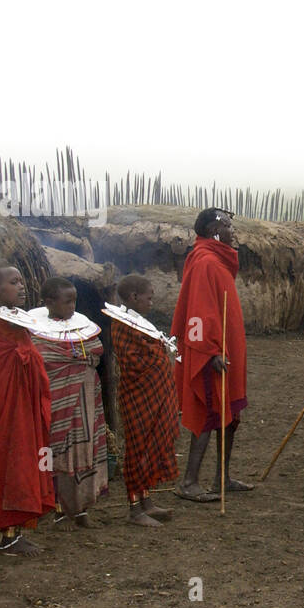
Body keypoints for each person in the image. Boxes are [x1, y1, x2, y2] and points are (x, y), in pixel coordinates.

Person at [171, 207, 252, 501]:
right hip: (212, 351)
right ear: (214, 231)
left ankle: (222, 477)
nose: (233, 231)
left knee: (230, 414)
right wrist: (212, 349)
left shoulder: (215, 259)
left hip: (228, 349)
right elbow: (200, 311)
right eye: (228, 226)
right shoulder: (205, 262)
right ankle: (189, 482)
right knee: (209, 411)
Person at [0, 266, 54, 556]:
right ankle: (3, 532)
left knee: (22, 462)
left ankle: (14, 534)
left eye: (21, 280)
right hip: (3, 411)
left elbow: (27, 356)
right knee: (5, 464)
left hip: (22, 407)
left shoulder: (18, 322)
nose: (22, 287)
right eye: (14, 282)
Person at [30, 277, 108, 529]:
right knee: (57, 452)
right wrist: (74, 360)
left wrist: (79, 359)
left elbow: (95, 350)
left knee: (84, 449)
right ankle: (59, 509)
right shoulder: (35, 333)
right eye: (67, 301)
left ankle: (81, 507)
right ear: (49, 302)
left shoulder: (83, 327)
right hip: (56, 402)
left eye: (74, 300)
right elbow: (41, 359)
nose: (73, 306)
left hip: (85, 401)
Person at [104, 275, 179, 527]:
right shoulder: (122, 325)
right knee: (138, 448)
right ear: (134, 297)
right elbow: (134, 362)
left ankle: (146, 499)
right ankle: (135, 508)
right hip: (138, 395)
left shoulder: (139, 322)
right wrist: (161, 356)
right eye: (149, 297)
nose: (152, 301)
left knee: (151, 446)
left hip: (154, 393)